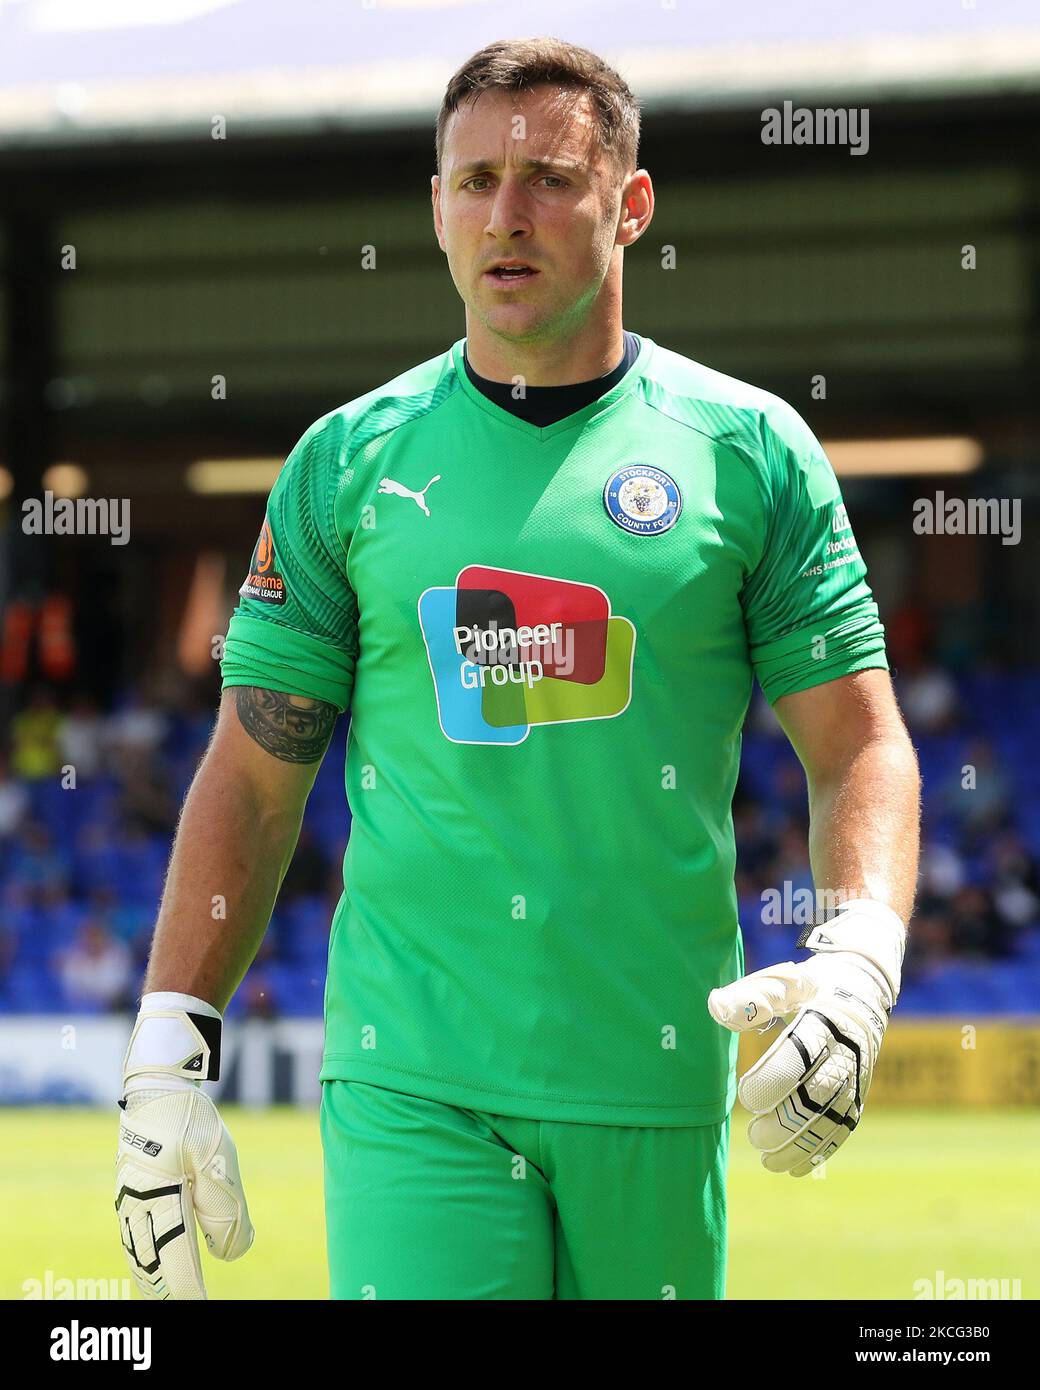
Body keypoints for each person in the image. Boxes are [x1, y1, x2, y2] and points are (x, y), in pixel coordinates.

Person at [115, 37, 920, 1301]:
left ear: (630, 206)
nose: (505, 214)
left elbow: (859, 742)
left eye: (547, 177)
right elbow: (255, 774)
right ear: (433, 206)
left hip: (650, 1069)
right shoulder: (342, 465)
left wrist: (860, 954)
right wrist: (169, 1041)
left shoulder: (749, 452)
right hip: (411, 1072)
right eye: (472, 179)